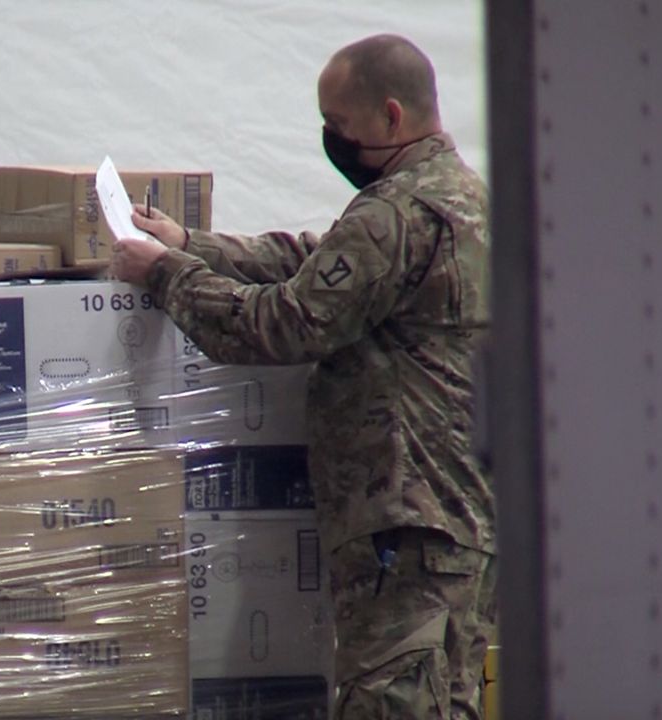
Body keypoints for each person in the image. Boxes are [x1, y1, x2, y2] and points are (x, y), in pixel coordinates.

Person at [112, 34, 496, 719]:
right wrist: (193, 243)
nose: (333, 141)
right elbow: (317, 259)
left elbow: (281, 324)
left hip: (404, 533)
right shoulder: (463, 199)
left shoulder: (398, 213)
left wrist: (168, 275)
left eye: (341, 126)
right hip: (455, 526)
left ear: (390, 117)